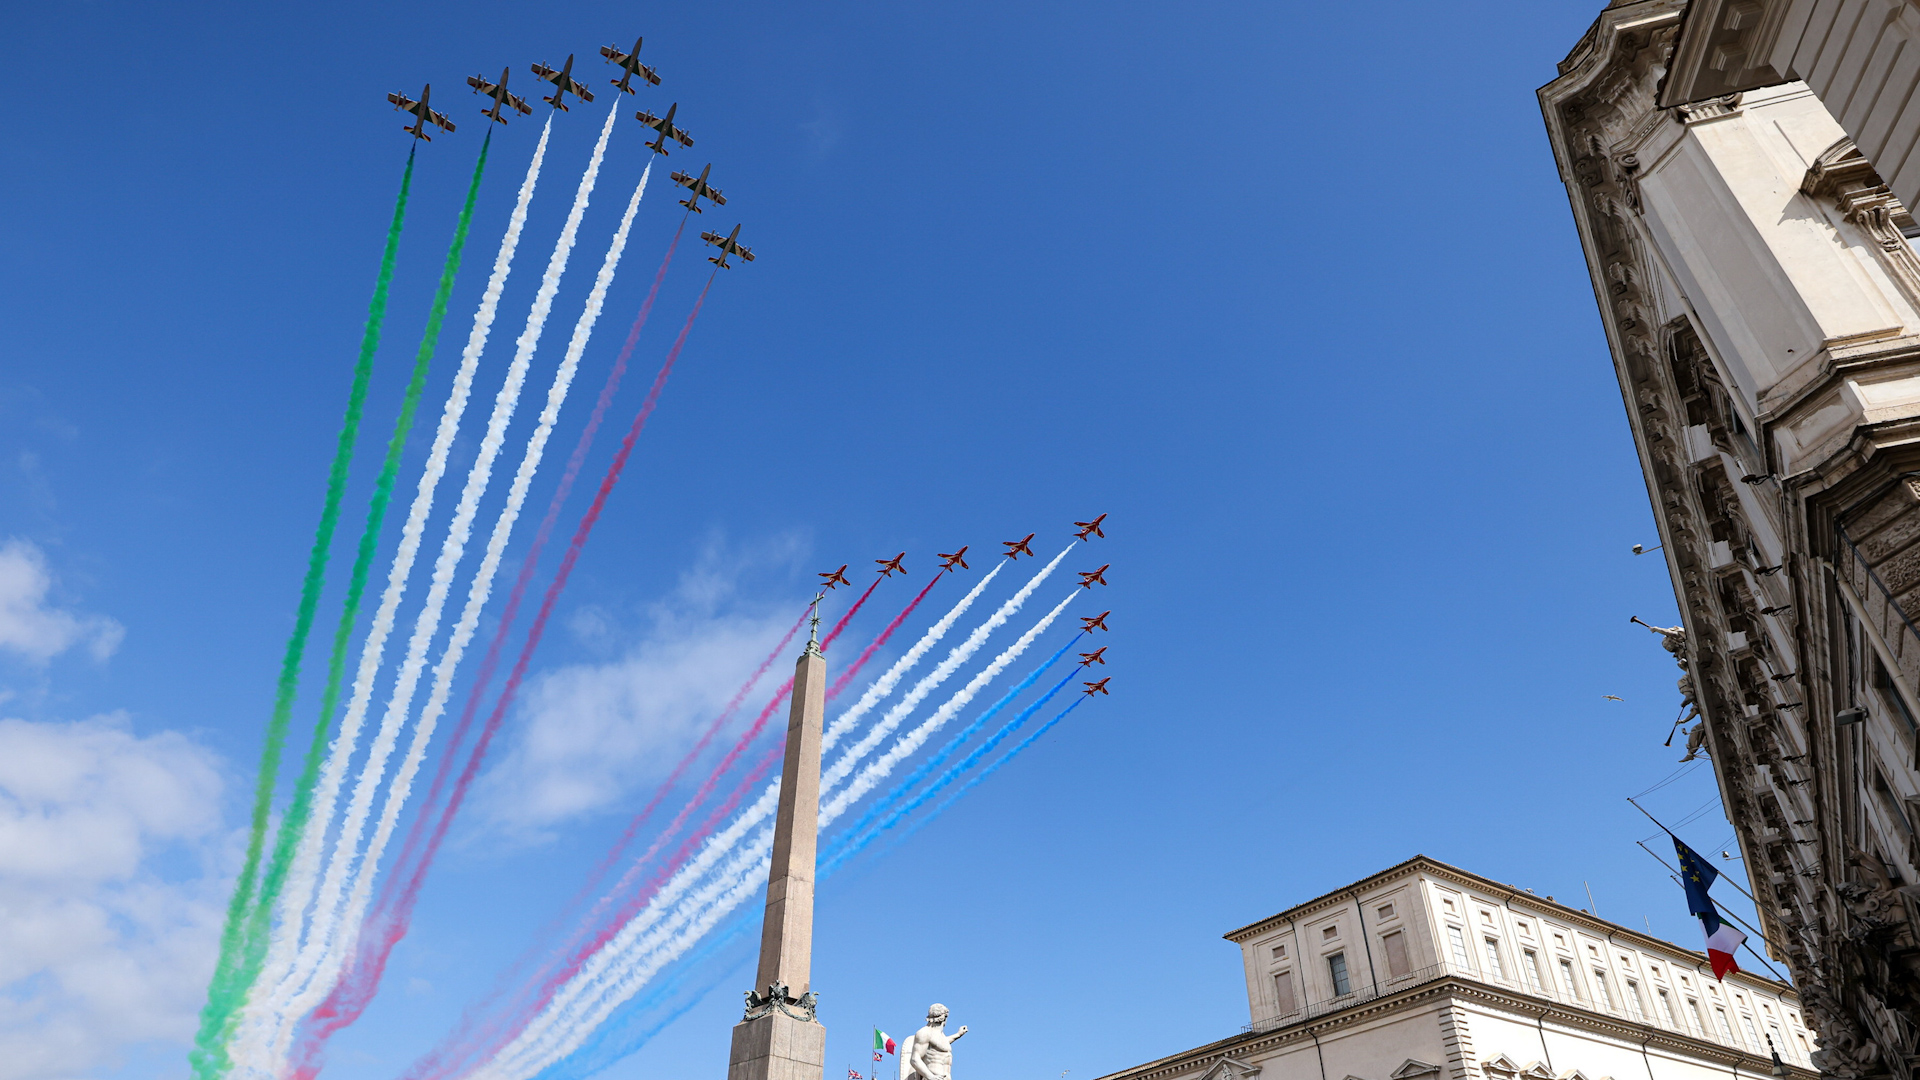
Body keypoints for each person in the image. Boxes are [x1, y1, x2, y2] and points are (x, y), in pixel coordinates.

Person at [900, 1004, 967, 1080]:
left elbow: (941, 1044)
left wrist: (958, 1034)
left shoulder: (940, 1036)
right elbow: (915, 1059)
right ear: (945, 1017)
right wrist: (930, 1076)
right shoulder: (924, 1033)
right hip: (933, 1077)